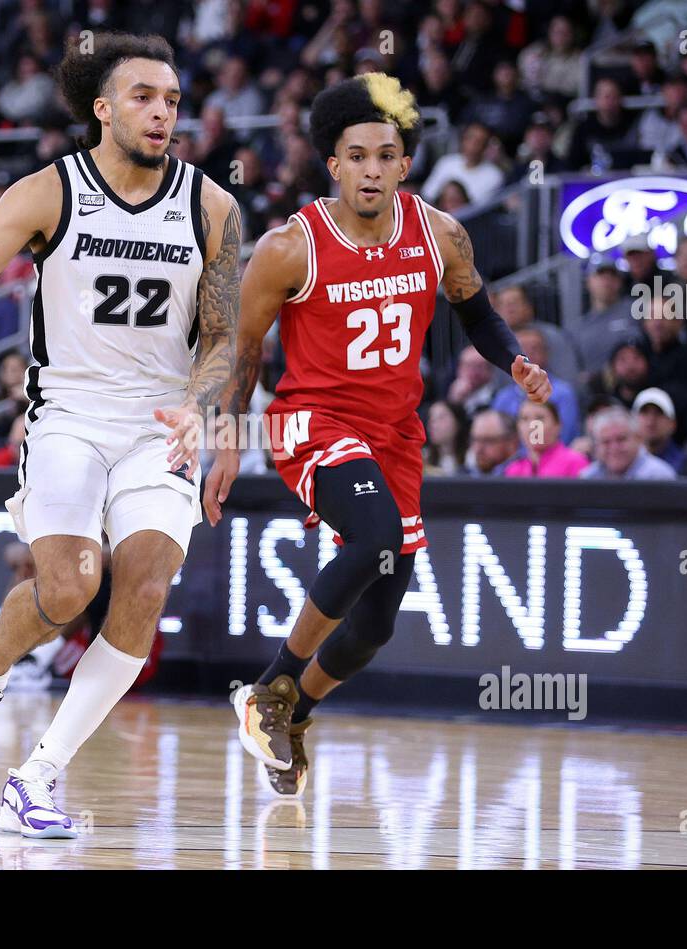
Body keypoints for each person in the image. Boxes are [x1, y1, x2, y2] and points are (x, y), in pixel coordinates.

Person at [0, 32, 238, 838]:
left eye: (171, 100)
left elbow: (224, 336)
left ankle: (39, 776)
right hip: (66, 414)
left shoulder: (213, 206)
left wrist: (203, 405)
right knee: (69, 589)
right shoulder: (47, 192)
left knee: (141, 594)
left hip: (157, 423)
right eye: (143, 97)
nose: (162, 112)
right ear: (103, 109)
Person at [204, 73, 548, 797]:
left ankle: (295, 711)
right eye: (355, 155)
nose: (369, 168)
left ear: (403, 163)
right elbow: (246, 346)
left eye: (383, 155)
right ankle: (268, 689)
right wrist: (230, 439)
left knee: (375, 627)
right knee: (374, 538)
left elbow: (475, 311)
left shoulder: (439, 232)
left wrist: (513, 358)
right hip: (311, 421)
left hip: (395, 433)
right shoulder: (289, 247)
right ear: (333, 164)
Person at [581, 408, 678, 480]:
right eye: (606, 442)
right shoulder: (588, 477)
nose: (614, 447)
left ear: (638, 439)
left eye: (621, 439)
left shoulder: (659, 476)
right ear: (596, 446)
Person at [504, 399, 586, 477]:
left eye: (539, 418)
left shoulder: (575, 463)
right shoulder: (514, 469)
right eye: (525, 419)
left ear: (558, 425)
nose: (532, 427)